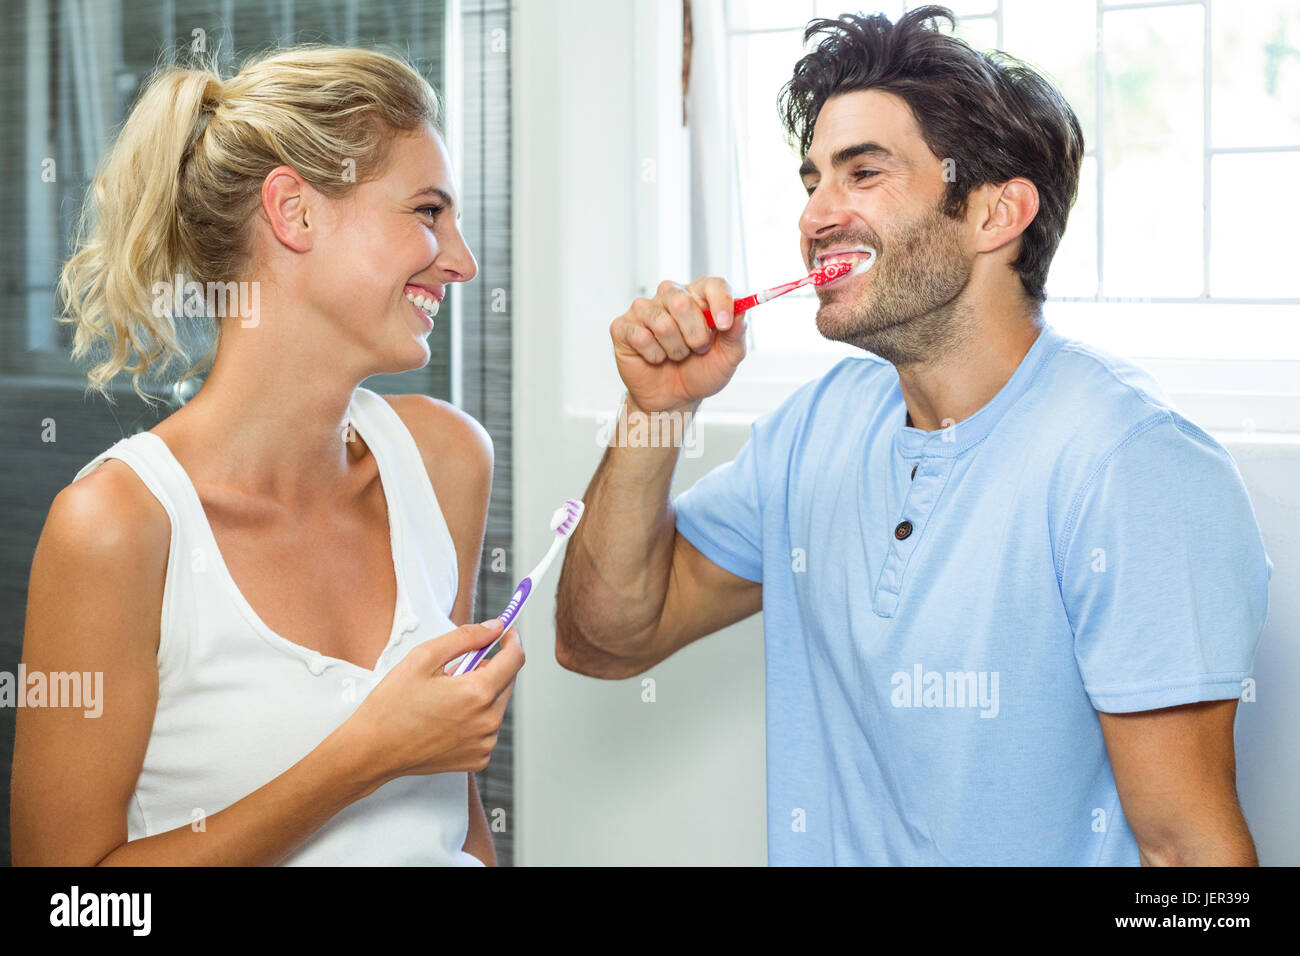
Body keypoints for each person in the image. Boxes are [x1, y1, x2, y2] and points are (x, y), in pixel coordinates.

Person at [554, 6, 1272, 865]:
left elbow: (1193, 861)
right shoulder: (815, 430)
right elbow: (601, 642)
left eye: (862, 173)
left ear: (994, 214)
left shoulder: (1134, 467)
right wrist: (656, 408)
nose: (816, 213)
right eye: (811, 179)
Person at [11, 45, 523, 866]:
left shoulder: (444, 460)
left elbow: (455, 822)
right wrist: (364, 756)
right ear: (295, 212)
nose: (461, 262)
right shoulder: (117, 529)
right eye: (429, 212)